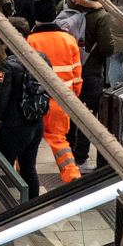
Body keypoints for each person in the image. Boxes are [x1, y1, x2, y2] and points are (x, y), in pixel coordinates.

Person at [29, 17, 84, 184]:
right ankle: (72, 177)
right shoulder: (69, 40)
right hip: (61, 103)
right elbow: (77, 76)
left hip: (35, 103)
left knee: (27, 146)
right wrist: (72, 97)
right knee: (60, 141)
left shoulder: (30, 41)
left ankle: (21, 179)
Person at [0, 52, 49, 198]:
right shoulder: (41, 58)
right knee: (29, 168)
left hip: (14, 125)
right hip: (36, 122)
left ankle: (5, 207)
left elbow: (1, 96)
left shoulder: (8, 65)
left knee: (4, 169)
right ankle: (33, 207)